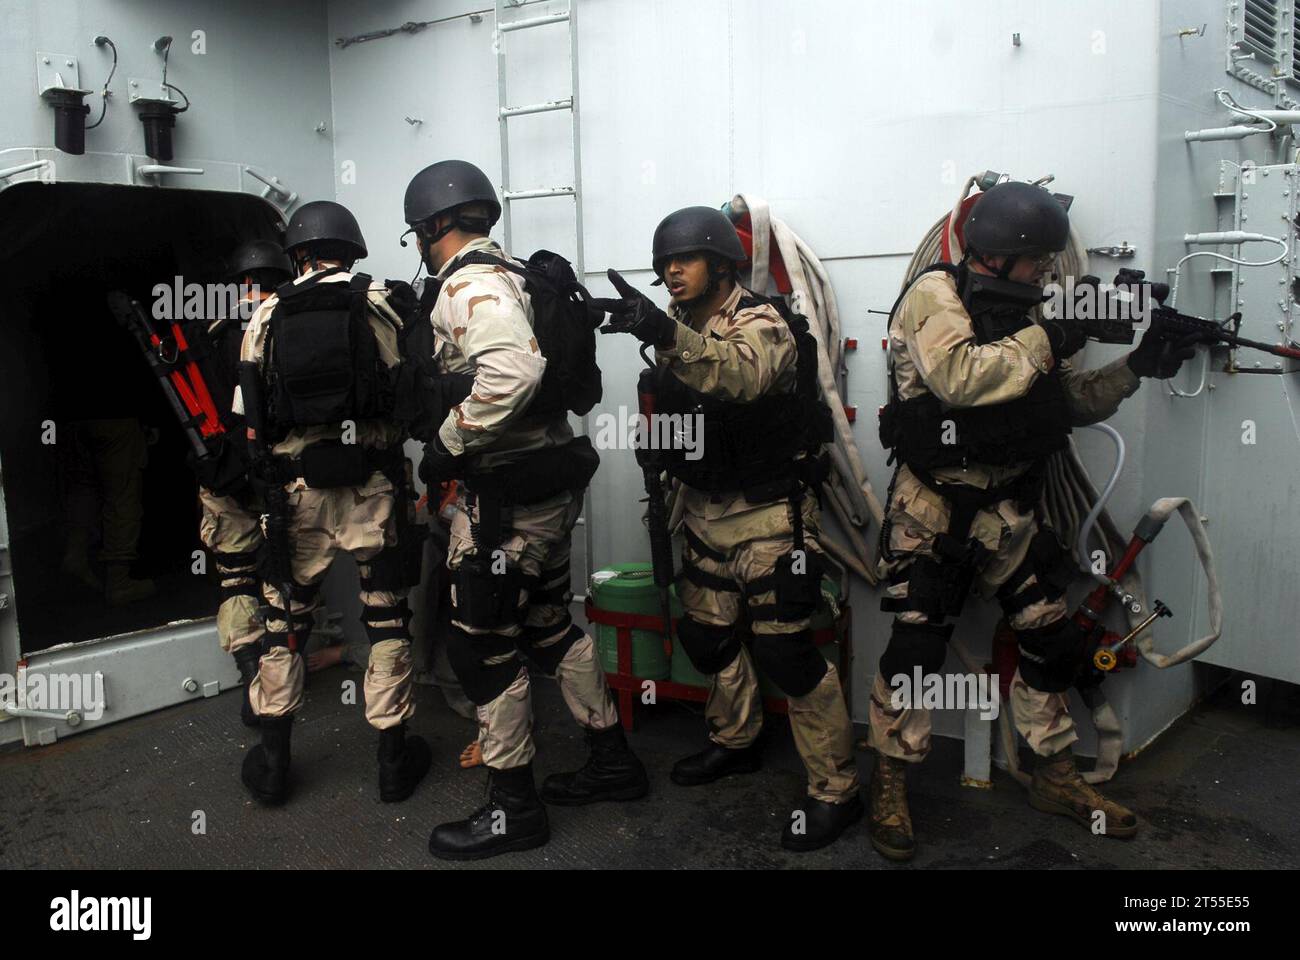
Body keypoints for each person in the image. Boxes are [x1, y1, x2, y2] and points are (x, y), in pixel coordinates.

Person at [869, 180, 1198, 861]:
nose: (1048, 272)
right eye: (1038, 260)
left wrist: (1137, 366)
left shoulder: (1032, 316)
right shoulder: (935, 296)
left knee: (1052, 643)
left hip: (1010, 512)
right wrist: (1053, 332)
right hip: (934, 508)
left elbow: (1067, 404)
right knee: (915, 652)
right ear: (997, 255)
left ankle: (1053, 776)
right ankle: (891, 782)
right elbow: (960, 377)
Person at [596, 206, 862, 851]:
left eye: (683, 260)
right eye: (664, 264)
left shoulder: (761, 320)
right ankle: (736, 740)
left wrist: (663, 331)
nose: (671, 272)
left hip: (771, 515)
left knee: (787, 654)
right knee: (708, 637)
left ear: (720, 264)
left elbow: (739, 376)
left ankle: (836, 788)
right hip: (704, 509)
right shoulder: (679, 327)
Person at [404, 159, 647, 861]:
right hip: (545, 488)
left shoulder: (471, 285)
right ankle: (613, 760)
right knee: (546, 625)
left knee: (483, 645)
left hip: (505, 504)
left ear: (434, 225)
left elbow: (513, 371)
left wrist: (448, 444)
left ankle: (514, 809)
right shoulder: (518, 276)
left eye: (420, 231)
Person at [233, 200, 431, 806]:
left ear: (296, 255)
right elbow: (412, 396)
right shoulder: (382, 305)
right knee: (387, 613)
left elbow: (249, 422)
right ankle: (394, 762)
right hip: (373, 485)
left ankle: (273, 763)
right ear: (354, 249)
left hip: (299, 493)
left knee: (283, 623)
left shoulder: (267, 313)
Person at [192, 239, 292, 727]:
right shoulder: (290, 326)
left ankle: (255, 684)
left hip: (228, 474)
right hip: (285, 472)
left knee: (236, 576)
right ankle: (279, 681)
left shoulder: (213, 336)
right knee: (282, 576)